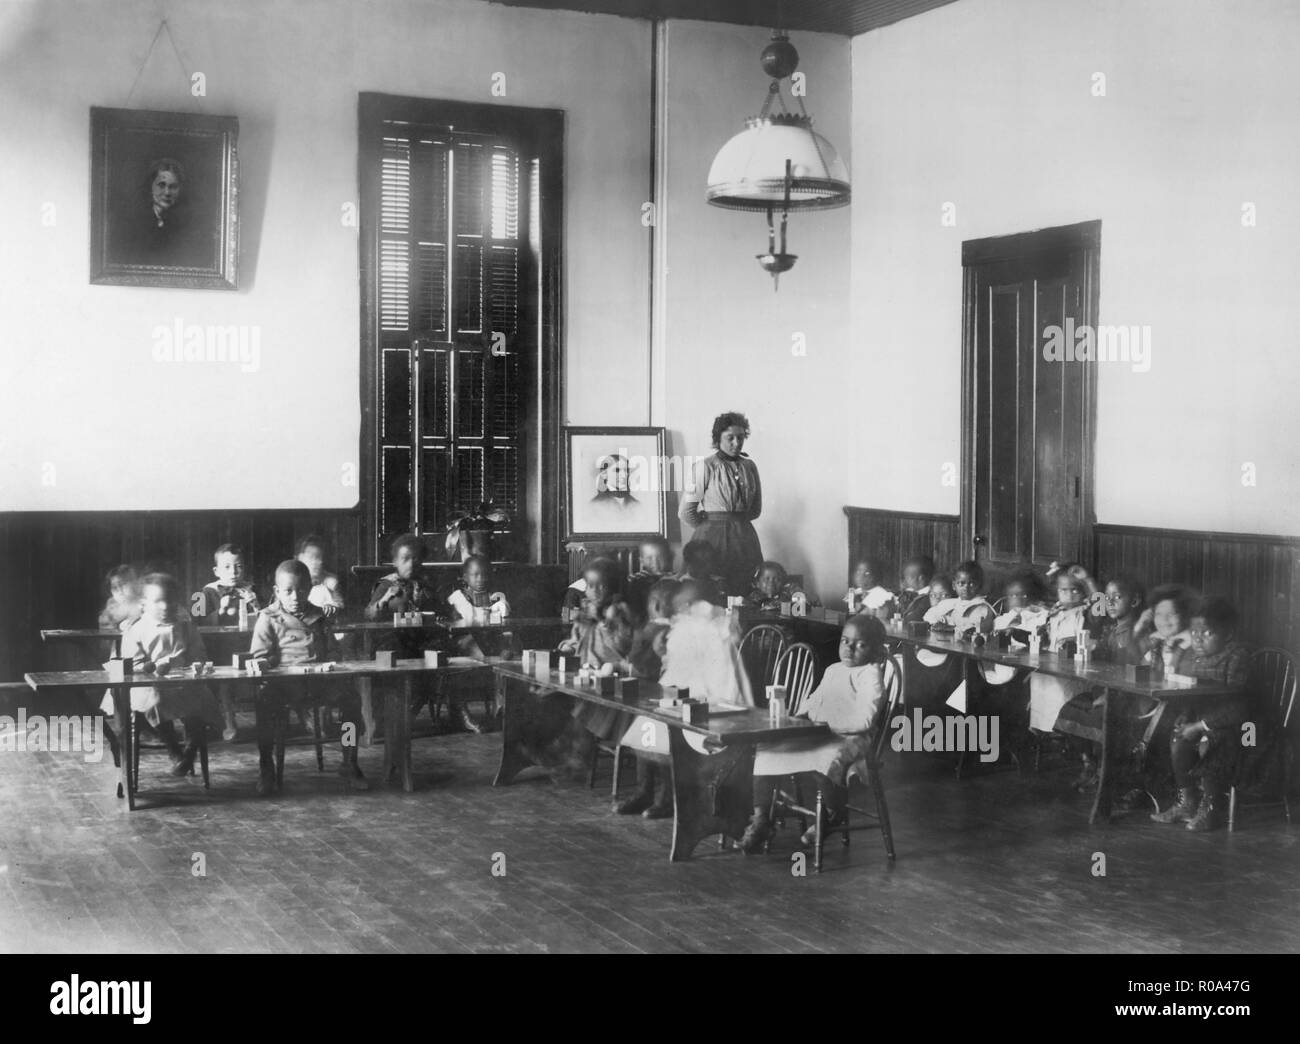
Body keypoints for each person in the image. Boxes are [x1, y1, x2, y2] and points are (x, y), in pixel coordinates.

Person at [741, 615, 890, 853]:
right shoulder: (833, 670)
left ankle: (832, 814)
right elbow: (813, 701)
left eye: (860, 645)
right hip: (822, 733)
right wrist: (796, 720)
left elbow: (865, 719)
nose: (849, 648)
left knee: (827, 759)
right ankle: (761, 817)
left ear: (875, 651)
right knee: (767, 749)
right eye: (845, 641)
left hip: (853, 738)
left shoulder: (870, 674)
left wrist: (823, 724)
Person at [250, 560, 368, 796]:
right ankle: (266, 767)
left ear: (310, 589)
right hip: (285, 684)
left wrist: (331, 661)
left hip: (318, 683)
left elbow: (333, 650)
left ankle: (350, 760)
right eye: (288, 591)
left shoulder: (319, 616)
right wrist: (268, 663)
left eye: (302, 590)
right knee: (264, 702)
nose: (295, 596)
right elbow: (259, 655)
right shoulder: (268, 617)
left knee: (351, 700)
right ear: (276, 591)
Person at [101, 573, 221, 777]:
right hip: (149, 684)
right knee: (155, 701)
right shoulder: (137, 629)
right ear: (144, 604)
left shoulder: (185, 626)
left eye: (171, 601)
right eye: (158, 602)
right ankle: (173, 750)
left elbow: (198, 653)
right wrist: (153, 666)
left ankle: (190, 751)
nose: (165, 607)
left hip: (182, 682)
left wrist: (196, 666)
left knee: (202, 698)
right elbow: (133, 665)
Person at [1151, 597, 1253, 831]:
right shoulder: (1196, 657)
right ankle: (1187, 800)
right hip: (1206, 721)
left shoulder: (1237, 656)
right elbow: (1193, 694)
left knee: (1211, 743)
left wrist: (1200, 726)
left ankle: (1212, 806)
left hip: (1244, 726)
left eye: (1206, 634)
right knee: (1178, 737)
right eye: (1194, 633)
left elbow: (1240, 707)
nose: (1197, 640)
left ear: (1227, 634)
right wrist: (1187, 716)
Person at [678, 411, 763, 594]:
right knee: (713, 589)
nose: (736, 443)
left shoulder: (750, 466)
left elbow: (755, 510)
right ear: (718, 438)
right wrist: (708, 526)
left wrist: (737, 523)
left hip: (744, 537)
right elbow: (686, 512)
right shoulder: (704, 466)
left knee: (744, 588)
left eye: (740, 437)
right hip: (711, 540)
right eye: (730, 437)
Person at [114, 158, 210, 268]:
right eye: (161, 185)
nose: (167, 192)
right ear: (151, 186)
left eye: (173, 187)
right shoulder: (134, 224)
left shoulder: (188, 226)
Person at [193, 543, 262, 625]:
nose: (233, 572)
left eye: (239, 566)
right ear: (216, 571)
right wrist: (221, 610)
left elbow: (266, 620)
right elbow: (197, 623)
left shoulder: (252, 590)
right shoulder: (205, 593)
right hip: (216, 637)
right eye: (227, 567)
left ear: (244, 569)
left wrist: (255, 604)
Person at [296, 534, 345, 617]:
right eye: (311, 558)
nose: (316, 562)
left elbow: (340, 606)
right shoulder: (294, 579)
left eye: (319, 558)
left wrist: (332, 608)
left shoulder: (331, 582)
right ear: (299, 558)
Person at [624, 537, 673, 619]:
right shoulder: (636, 579)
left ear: (668, 557)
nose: (655, 562)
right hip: (643, 618)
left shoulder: (674, 578)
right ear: (642, 561)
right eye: (649, 558)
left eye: (660, 557)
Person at [98, 564, 142, 630]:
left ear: (134, 584)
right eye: (114, 587)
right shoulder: (111, 605)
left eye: (123, 584)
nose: (119, 591)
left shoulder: (143, 605)